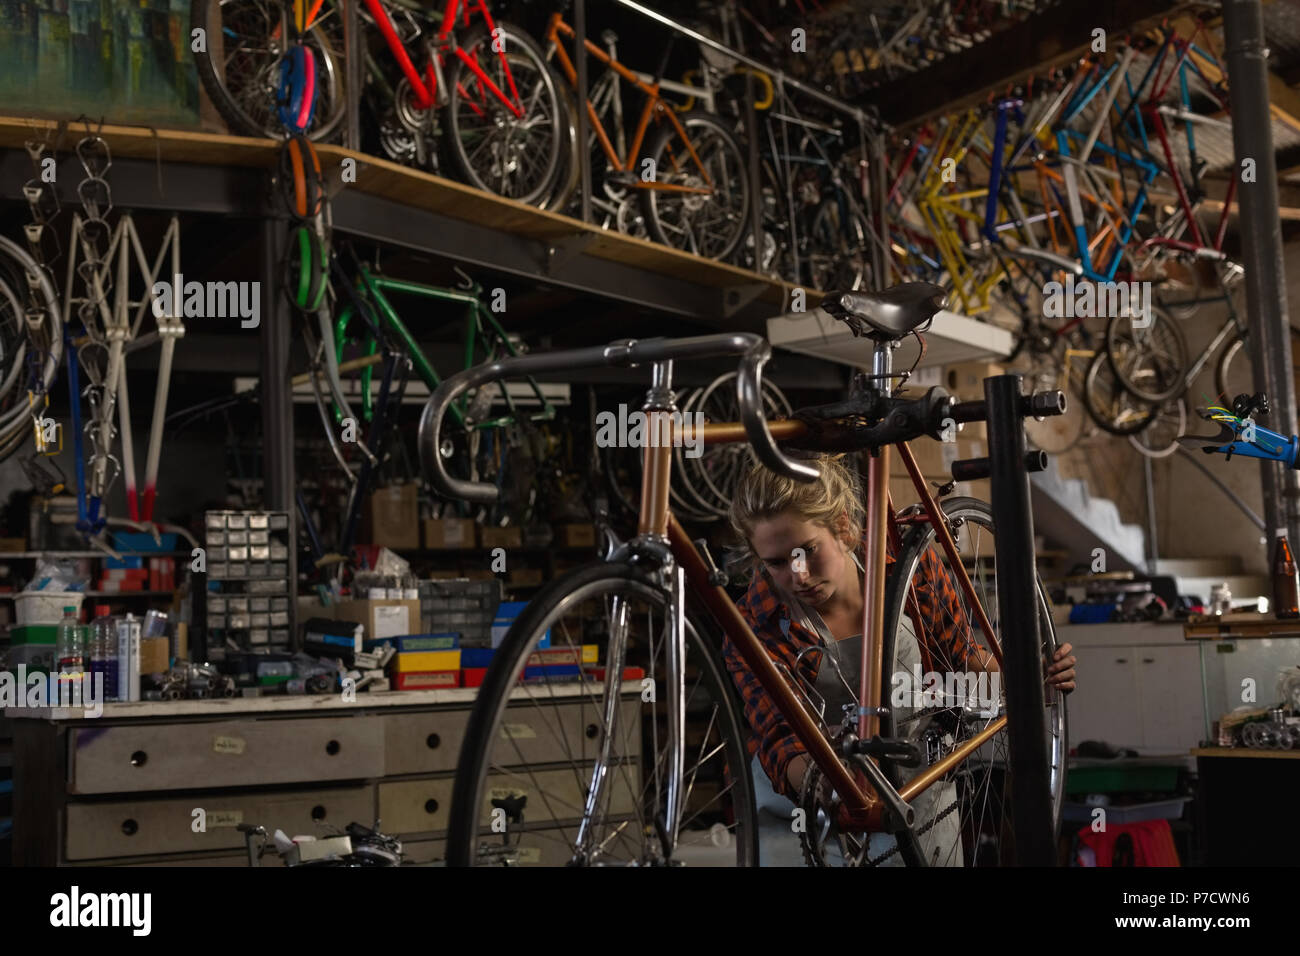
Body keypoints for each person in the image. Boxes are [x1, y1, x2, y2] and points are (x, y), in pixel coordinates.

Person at [724, 453, 1076, 865]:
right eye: (777, 563)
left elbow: (963, 665)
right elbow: (782, 740)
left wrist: (1033, 685)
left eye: (807, 551)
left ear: (841, 526)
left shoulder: (908, 566)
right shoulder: (755, 623)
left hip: (918, 802)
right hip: (806, 816)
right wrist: (832, 785)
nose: (797, 575)